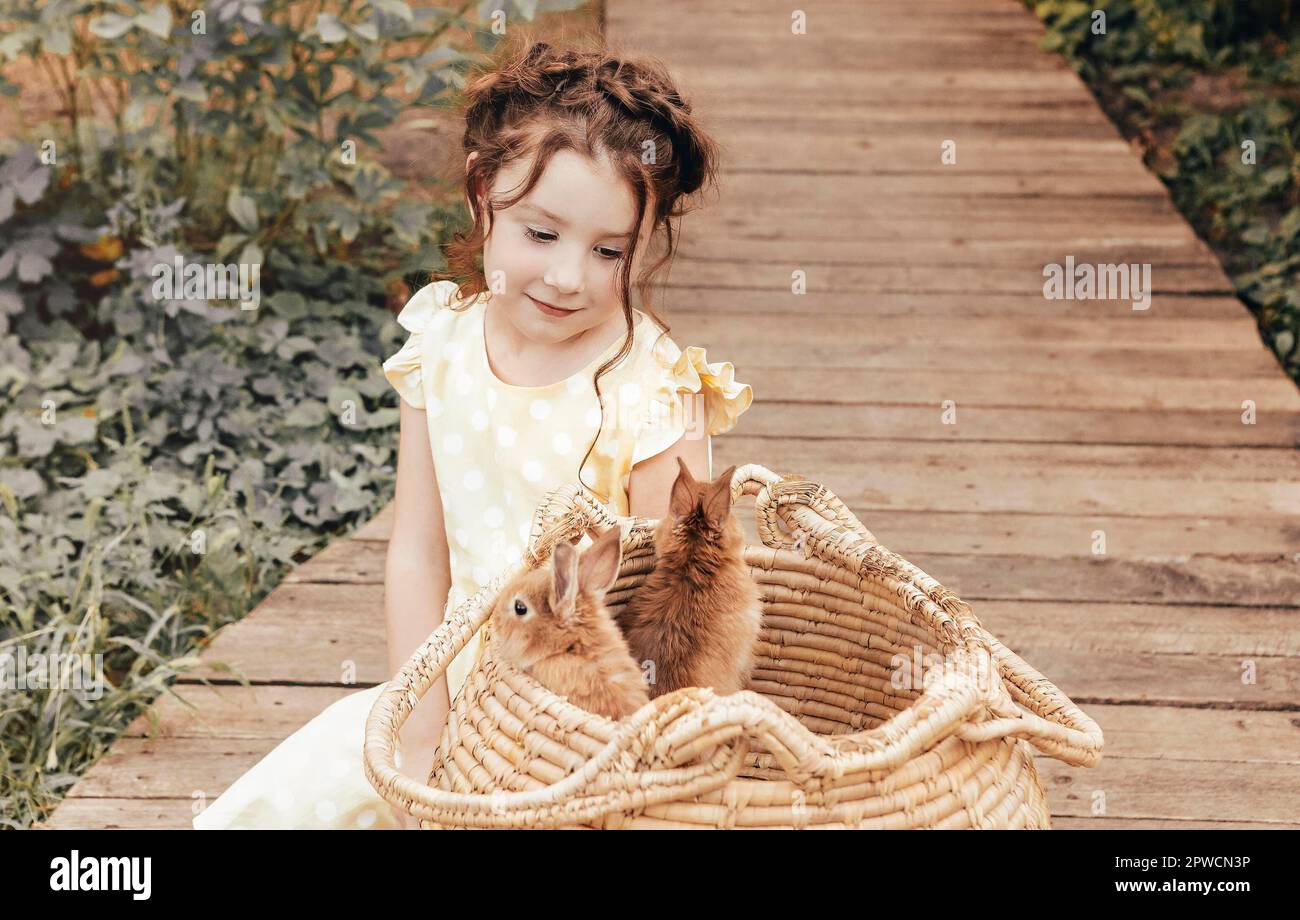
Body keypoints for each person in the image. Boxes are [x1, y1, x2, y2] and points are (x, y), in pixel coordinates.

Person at [193, 38, 752, 830]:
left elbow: (673, 612)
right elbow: (418, 549)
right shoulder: (443, 349)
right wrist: (420, 734)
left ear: (646, 242)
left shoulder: (655, 393)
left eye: (607, 251)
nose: (567, 276)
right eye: (541, 233)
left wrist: (619, 767)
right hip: (448, 691)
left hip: (585, 727)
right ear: (482, 195)